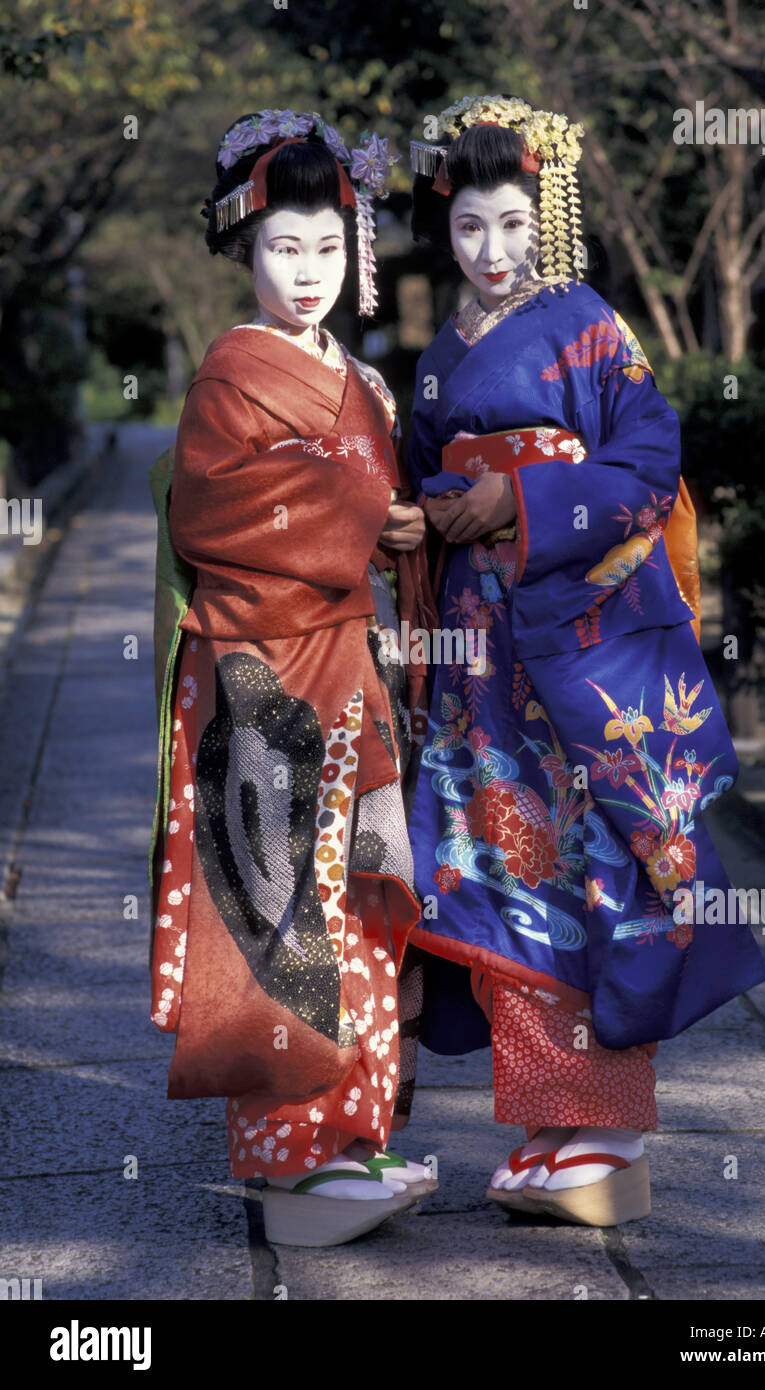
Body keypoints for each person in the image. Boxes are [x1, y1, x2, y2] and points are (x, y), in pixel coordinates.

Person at [405, 95, 765, 1226]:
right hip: (478, 653)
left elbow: (649, 465)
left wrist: (517, 496)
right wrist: (421, 517)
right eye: (468, 227)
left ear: (546, 218)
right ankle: (550, 1124)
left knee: (598, 859)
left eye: (512, 225)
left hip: (578, 641)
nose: (491, 252)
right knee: (500, 866)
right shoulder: (436, 356)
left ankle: (604, 1129)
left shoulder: (590, 326)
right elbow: (417, 471)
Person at [147, 109, 440, 1247]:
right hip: (261, 679)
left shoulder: (360, 381)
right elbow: (215, 512)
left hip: (348, 670)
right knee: (276, 909)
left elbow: (363, 511)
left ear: (353, 248)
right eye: (283, 250)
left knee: (356, 905)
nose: (306, 274)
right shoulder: (231, 372)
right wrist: (370, 508)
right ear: (244, 251)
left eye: (326, 248)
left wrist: (402, 524)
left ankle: (353, 1133)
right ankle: (288, 1158)